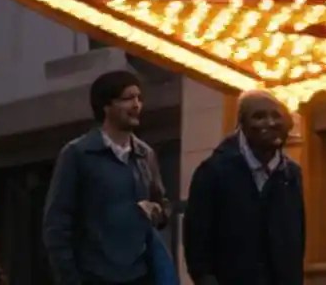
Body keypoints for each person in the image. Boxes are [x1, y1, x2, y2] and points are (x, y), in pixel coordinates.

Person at [43, 70, 171, 285]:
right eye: (128, 98)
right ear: (106, 105)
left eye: (139, 98)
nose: (136, 105)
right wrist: (70, 278)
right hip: (94, 276)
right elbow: (57, 224)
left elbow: (162, 204)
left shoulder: (144, 154)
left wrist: (158, 212)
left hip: (140, 275)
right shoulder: (78, 154)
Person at [183, 90, 305, 285]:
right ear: (242, 125)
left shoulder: (292, 175)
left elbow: (297, 240)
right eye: (259, 116)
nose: (270, 123)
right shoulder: (213, 172)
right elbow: (197, 239)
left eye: (276, 116)